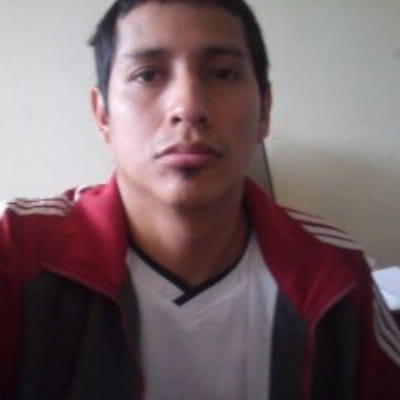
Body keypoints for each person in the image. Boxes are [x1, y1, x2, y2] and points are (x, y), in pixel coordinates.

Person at [0, 0, 399, 399]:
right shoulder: (18, 252)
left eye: (222, 73)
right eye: (147, 75)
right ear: (103, 115)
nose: (188, 108)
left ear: (264, 111)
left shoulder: (337, 271)